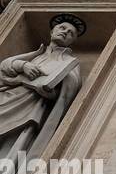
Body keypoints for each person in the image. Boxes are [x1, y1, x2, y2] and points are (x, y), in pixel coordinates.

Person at [0, 13, 85, 163]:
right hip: (8, 98)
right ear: (52, 31)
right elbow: (6, 66)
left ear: (73, 41)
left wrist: (51, 95)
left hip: (32, 108)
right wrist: (23, 65)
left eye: (70, 33)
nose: (65, 32)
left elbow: (68, 92)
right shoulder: (36, 54)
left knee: (13, 140)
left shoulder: (69, 63)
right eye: (62, 28)